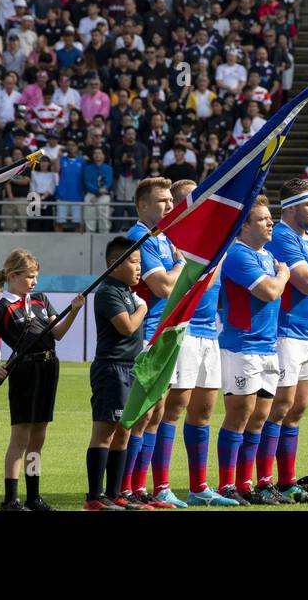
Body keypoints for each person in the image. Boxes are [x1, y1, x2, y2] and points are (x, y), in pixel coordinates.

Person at [0, 248, 84, 511]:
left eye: (36, 276)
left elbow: (57, 333)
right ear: (13, 276)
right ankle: (11, 499)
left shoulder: (40, 300)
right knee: (21, 436)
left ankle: (33, 497)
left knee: (39, 436)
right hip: (24, 371)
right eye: (29, 277)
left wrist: (73, 311)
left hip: (49, 368)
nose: (34, 282)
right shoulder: (1, 307)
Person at [155, 177, 234, 507]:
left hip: (209, 334)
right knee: (172, 410)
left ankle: (199, 487)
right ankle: (160, 486)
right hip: (182, 331)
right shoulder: (172, 240)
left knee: (203, 412)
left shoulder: (216, 241)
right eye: (193, 199)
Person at [214, 196, 291, 505]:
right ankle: (226, 484)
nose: (270, 222)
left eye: (270, 218)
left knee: (259, 417)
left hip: (267, 346)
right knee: (239, 415)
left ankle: (249, 484)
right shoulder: (237, 255)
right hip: (241, 346)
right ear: (244, 226)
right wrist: (283, 275)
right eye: (262, 219)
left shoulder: (267, 256)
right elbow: (269, 291)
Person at [124, 176, 188, 508]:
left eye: (169, 200)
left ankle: (138, 487)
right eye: (162, 201)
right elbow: (164, 286)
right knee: (143, 411)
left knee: (156, 411)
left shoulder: (162, 237)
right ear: (143, 205)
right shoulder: (140, 237)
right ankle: (127, 488)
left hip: (166, 332)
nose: (169, 205)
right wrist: (181, 263)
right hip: (148, 332)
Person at [266, 179, 308, 503]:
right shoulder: (281, 236)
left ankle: (287, 481)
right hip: (285, 334)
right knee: (279, 409)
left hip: (307, 337)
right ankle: (265, 480)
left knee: (297, 410)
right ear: (291, 208)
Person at [86, 236, 148, 510]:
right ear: (115, 264)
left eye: (140, 262)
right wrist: (143, 309)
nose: (139, 268)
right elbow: (126, 327)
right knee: (105, 432)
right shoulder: (108, 291)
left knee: (123, 432)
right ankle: (94, 497)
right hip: (112, 369)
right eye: (134, 262)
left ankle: (115, 494)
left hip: (130, 368)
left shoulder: (125, 292)